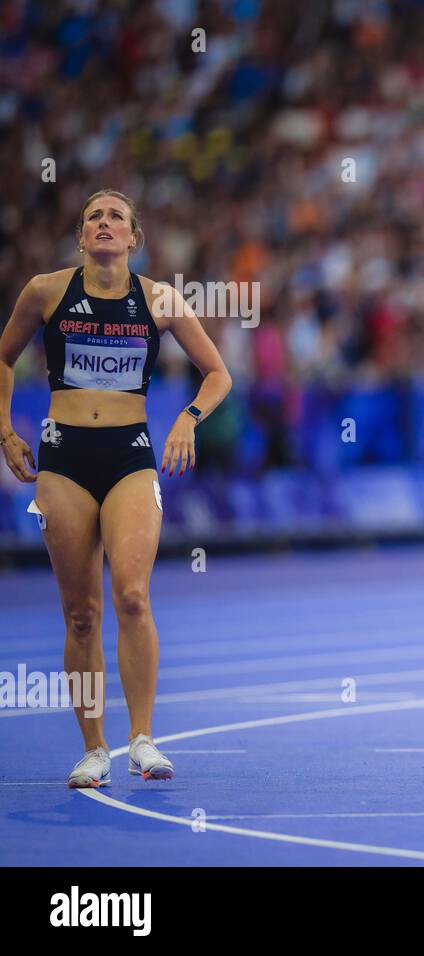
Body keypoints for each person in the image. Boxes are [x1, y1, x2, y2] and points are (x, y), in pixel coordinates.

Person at [0, 189, 232, 787]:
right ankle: (93, 747)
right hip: (62, 460)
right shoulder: (46, 291)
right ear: (81, 238)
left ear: (134, 237)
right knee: (80, 614)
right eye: (93, 218)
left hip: (130, 457)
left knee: (132, 597)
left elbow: (218, 375)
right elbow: (2, 358)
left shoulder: (159, 300)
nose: (104, 224)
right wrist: (4, 431)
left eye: (116, 217)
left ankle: (143, 739)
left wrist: (187, 418)